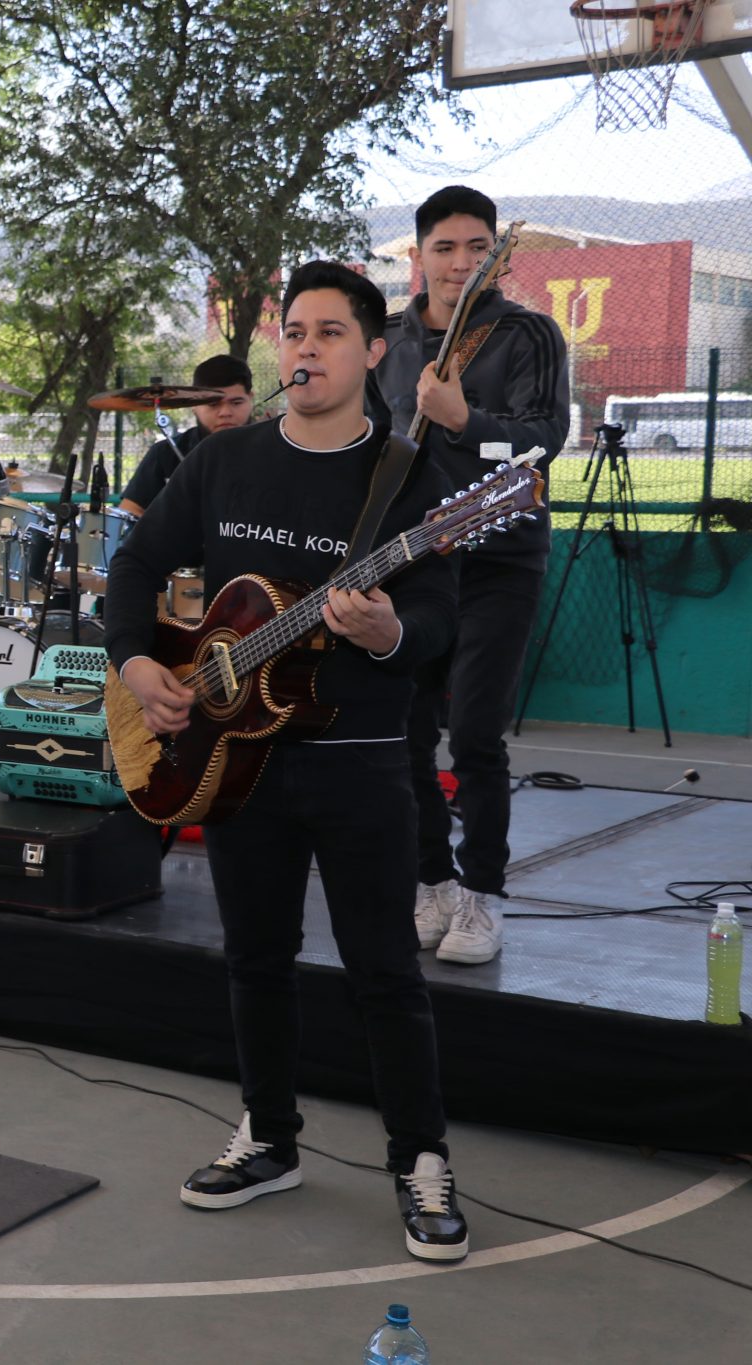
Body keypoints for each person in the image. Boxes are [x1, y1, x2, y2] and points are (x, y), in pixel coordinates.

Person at [105, 262, 468, 1263]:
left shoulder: (406, 480)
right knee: (253, 960)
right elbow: (135, 566)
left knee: (383, 973)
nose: (304, 349)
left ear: (370, 351)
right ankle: (268, 1136)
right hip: (234, 763)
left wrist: (391, 627)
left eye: (327, 333)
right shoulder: (224, 462)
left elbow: (440, 613)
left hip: (356, 766)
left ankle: (419, 1159)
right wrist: (139, 663)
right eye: (293, 332)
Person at [374, 185, 570, 966]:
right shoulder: (385, 340)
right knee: (407, 732)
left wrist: (467, 421)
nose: (461, 262)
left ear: (497, 252)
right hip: (413, 565)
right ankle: (431, 882)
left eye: (476, 246)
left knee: (478, 733)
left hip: (500, 561)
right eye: (444, 247)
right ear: (418, 255)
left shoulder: (526, 334)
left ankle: (482, 895)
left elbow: (544, 439)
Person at [116, 354, 256, 518]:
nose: (225, 412)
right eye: (213, 404)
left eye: (236, 403)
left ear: (251, 399)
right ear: (194, 405)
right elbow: (131, 512)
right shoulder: (165, 454)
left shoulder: (274, 450)